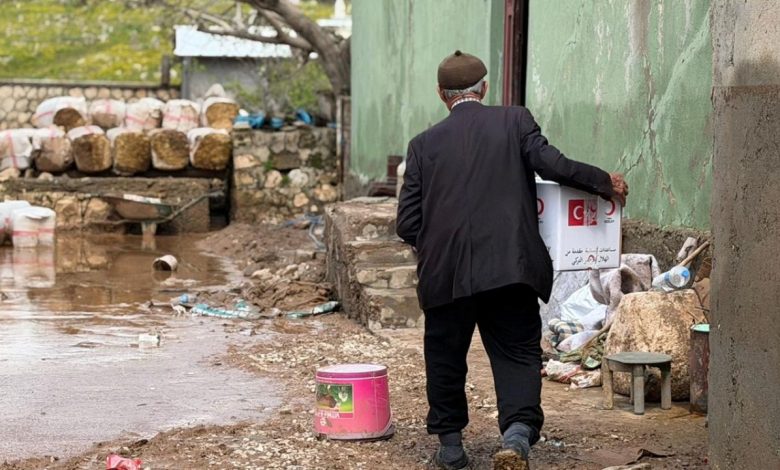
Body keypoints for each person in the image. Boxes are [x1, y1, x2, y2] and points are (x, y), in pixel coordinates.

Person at [396, 50, 629, 470]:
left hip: (445, 275)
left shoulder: (422, 145)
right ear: (484, 88)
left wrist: (440, 246)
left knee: (445, 355)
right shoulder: (515, 121)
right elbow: (553, 165)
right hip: (510, 268)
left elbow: (407, 223)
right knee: (518, 352)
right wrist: (603, 182)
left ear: (441, 94)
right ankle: (517, 436)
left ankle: (451, 449)